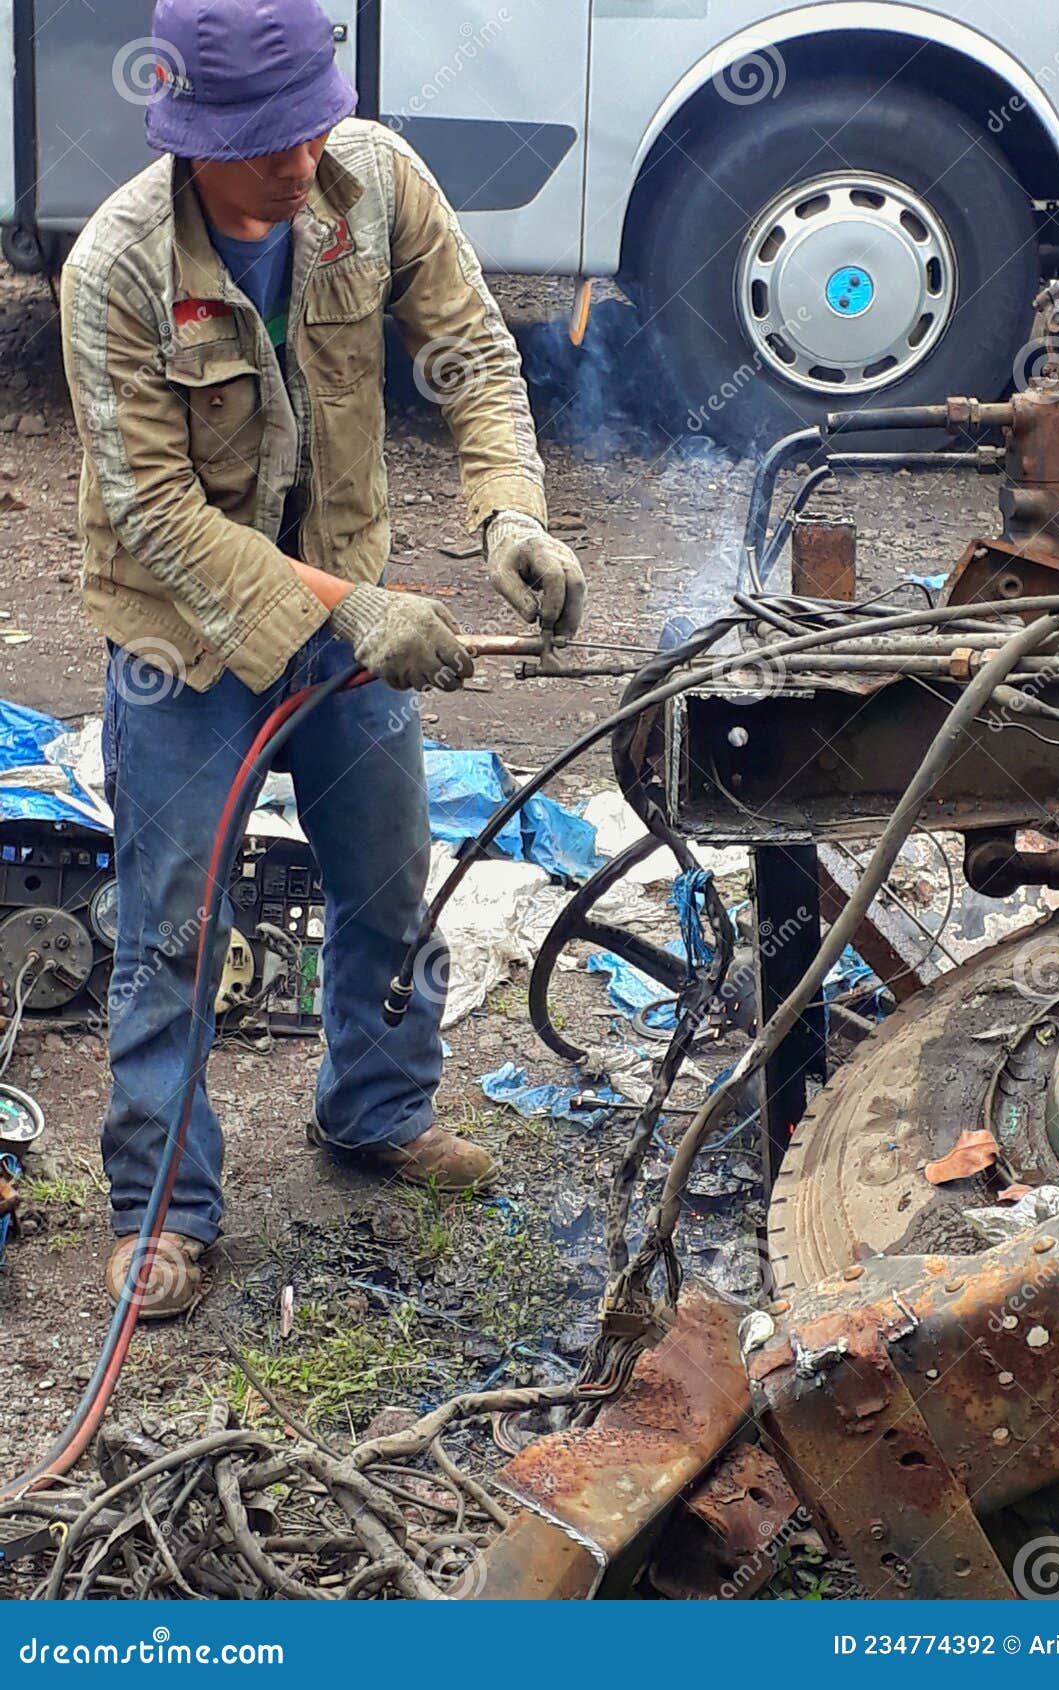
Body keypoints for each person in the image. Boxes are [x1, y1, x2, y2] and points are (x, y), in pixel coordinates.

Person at [59, 0, 585, 1317]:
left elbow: (467, 347)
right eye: (269, 144)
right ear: (195, 137)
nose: (304, 163)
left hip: (349, 622)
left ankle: (376, 1110)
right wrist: (354, 608)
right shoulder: (119, 269)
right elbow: (160, 519)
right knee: (174, 922)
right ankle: (164, 1208)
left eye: (311, 127)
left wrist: (509, 506)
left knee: (388, 871)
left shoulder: (375, 180)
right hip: (182, 642)